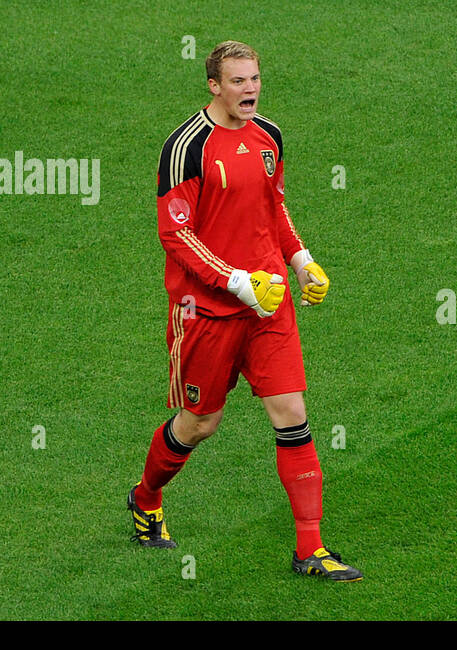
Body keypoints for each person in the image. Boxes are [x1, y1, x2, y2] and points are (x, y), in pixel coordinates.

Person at [128, 40, 361, 582]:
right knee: (199, 423)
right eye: (237, 81)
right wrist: (237, 283)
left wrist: (301, 261)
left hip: (270, 304)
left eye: (254, 79)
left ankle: (311, 549)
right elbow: (176, 234)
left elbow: (272, 206)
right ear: (213, 85)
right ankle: (146, 498)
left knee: (292, 416)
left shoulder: (269, 137)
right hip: (206, 311)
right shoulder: (186, 148)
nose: (250, 89)